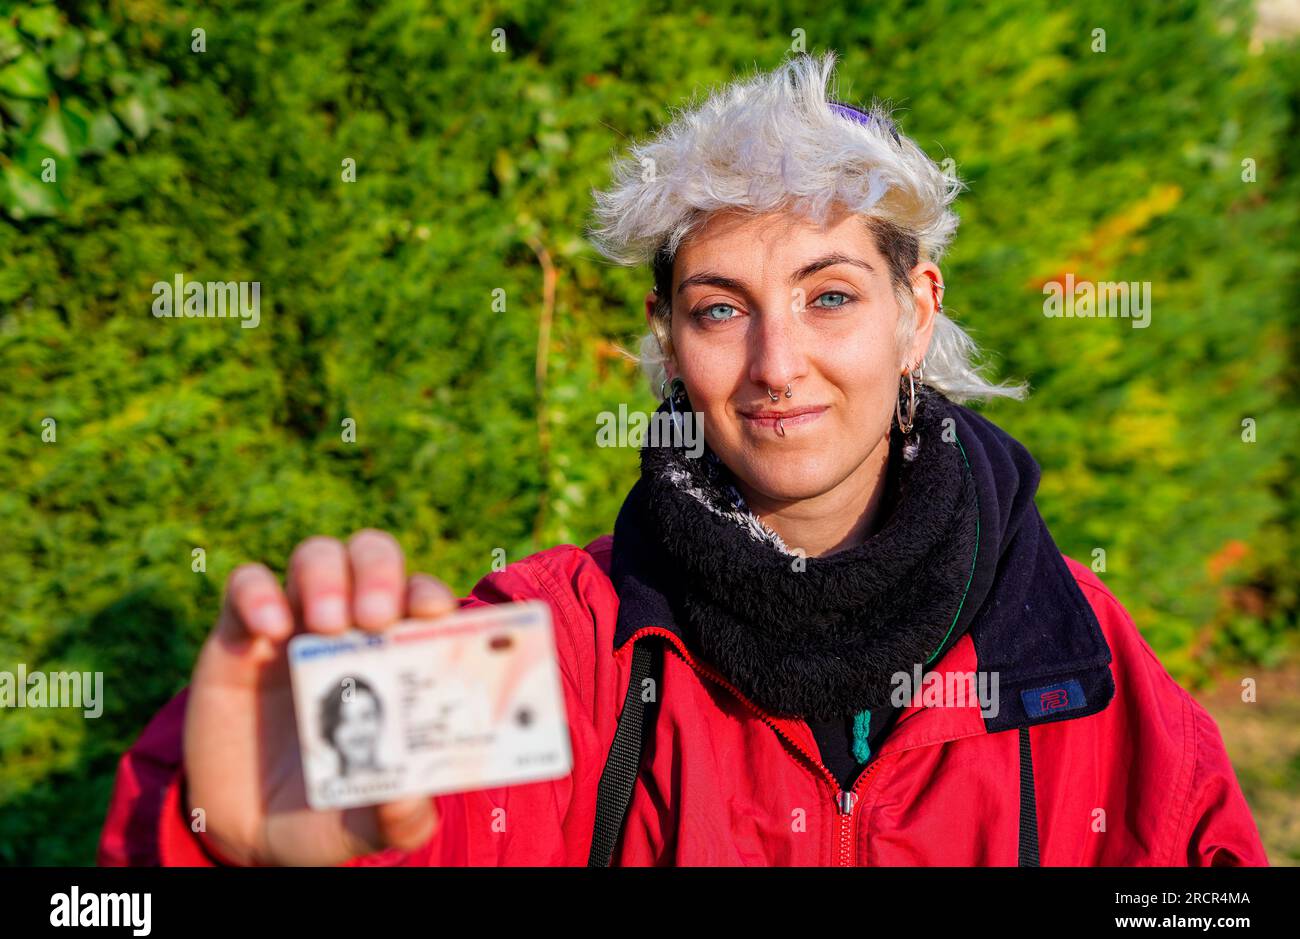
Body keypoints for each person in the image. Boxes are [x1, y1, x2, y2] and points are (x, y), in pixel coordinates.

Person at [98, 52, 1267, 867]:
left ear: (917, 310)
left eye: (829, 296)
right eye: (720, 310)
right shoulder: (568, 648)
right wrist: (218, 837)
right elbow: (304, 812)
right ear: (667, 338)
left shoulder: (1076, 659)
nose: (777, 363)